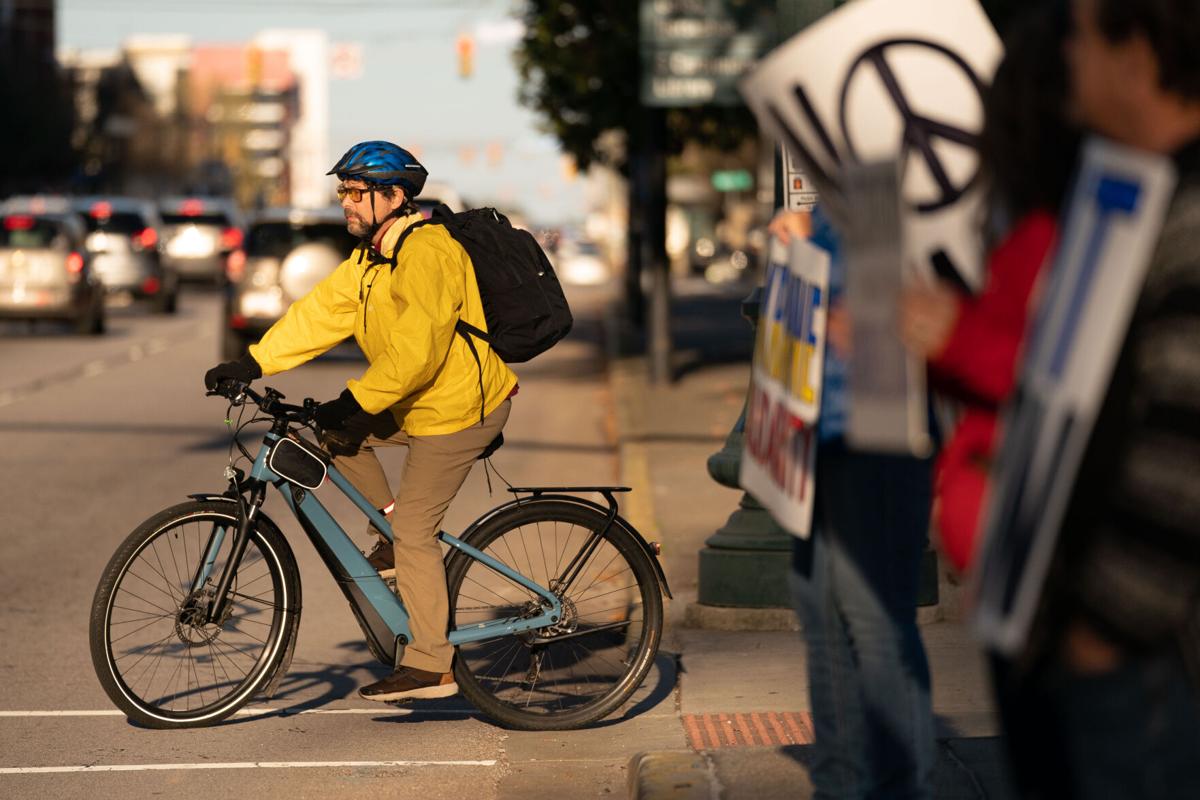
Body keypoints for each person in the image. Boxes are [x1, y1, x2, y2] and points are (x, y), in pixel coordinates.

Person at [203, 140, 518, 703]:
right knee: (332, 432)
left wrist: (358, 399)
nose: (345, 202)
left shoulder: (428, 252)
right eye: (342, 191)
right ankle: (390, 538)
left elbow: (417, 351)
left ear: (395, 197)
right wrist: (253, 361)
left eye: (356, 192)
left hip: (461, 408)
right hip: (420, 400)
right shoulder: (372, 258)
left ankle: (431, 664)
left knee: (418, 529)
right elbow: (321, 313)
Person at [899, 4, 1081, 574]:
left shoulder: (1066, 234)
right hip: (1013, 571)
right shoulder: (1028, 232)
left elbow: (1068, 379)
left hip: (1057, 573)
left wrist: (953, 341)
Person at [770, 206, 936, 799]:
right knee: (822, 616)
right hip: (820, 431)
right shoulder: (843, 198)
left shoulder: (889, 187)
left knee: (873, 622)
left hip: (876, 429)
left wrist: (817, 259)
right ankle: (841, 784)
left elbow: (892, 308)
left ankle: (896, 786)